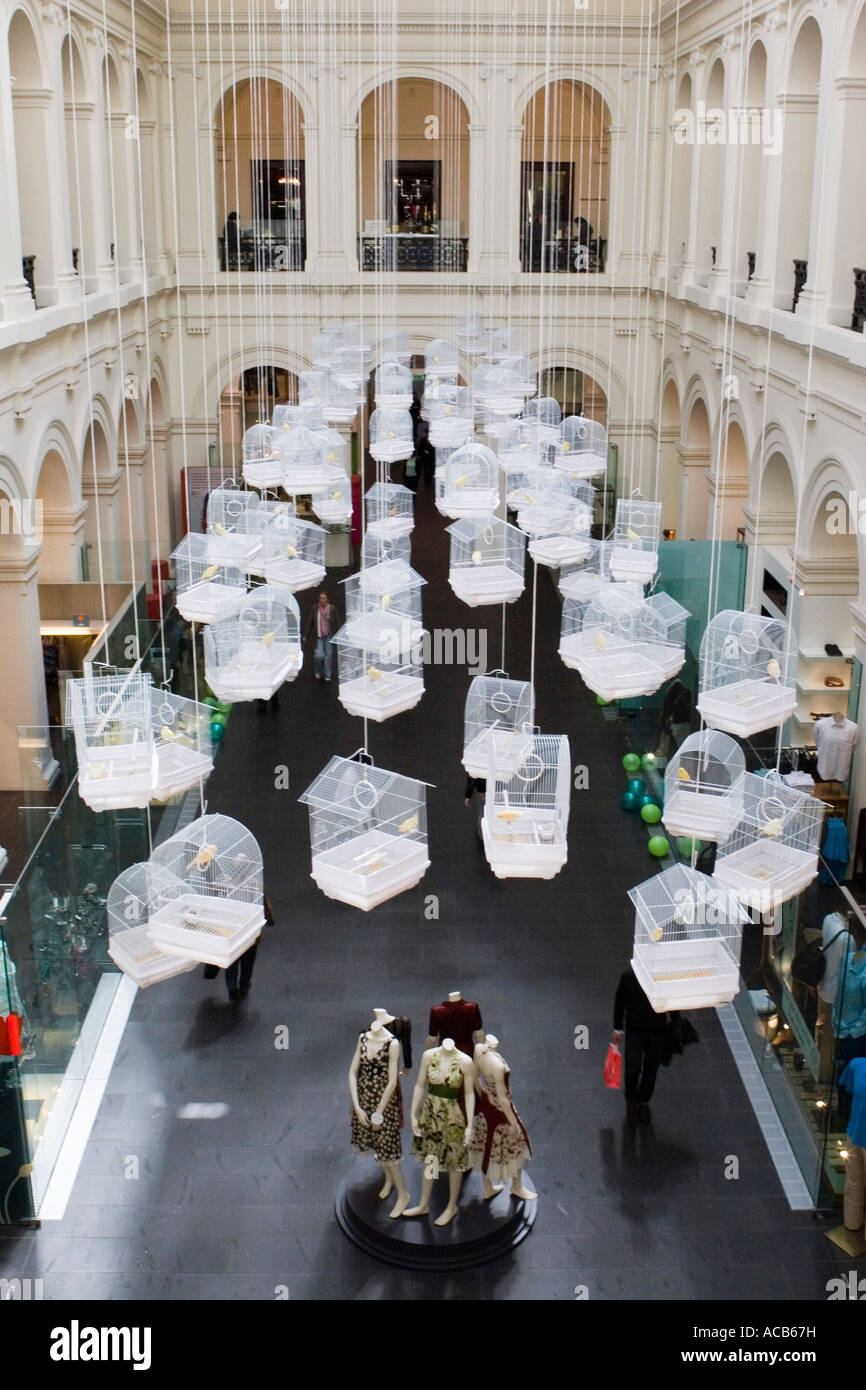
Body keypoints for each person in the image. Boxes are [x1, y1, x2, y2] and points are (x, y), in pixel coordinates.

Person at [612, 964, 681, 1124]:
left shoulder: (661, 977)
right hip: (638, 1030)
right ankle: (632, 1100)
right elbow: (620, 1003)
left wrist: (676, 1020)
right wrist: (618, 1028)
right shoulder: (629, 977)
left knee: (650, 1069)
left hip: (655, 1030)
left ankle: (642, 1101)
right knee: (633, 1069)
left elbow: (671, 1002)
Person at [203, 894, 273, 1003]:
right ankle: (244, 985)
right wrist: (269, 919)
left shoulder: (226, 893)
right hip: (251, 935)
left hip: (232, 934)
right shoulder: (254, 891)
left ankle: (232, 988)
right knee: (248, 963)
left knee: (232, 962)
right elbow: (264, 906)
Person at [304, 590, 340, 682]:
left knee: (328, 655)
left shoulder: (332, 608)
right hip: (318, 636)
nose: (321, 600)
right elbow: (310, 622)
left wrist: (338, 635)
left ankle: (327, 674)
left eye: (323, 598)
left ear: (328, 600)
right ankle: (318, 670)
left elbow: (337, 622)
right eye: (320, 598)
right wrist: (306, 635)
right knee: (319, 656)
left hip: (328, 635)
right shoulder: (315, 608)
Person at [464, 774, 486, 841]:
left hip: (482, 792)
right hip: (493, 792)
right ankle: (482, 834)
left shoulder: (477, 769)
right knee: (484, 814)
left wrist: (468, 796)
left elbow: (472, 780)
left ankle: (481, 834)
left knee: (482, 813)